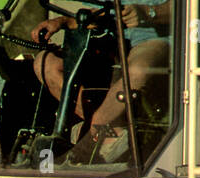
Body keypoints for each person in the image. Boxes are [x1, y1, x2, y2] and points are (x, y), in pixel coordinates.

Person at [29, 1, 174, 163]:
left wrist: (148, 12)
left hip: (153, 38)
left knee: (137, 69)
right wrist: (62, 22)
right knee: (45, 63)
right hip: (109, 40)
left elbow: (187, 8)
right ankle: (109, 131)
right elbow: (99, 13)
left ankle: (93, 130)